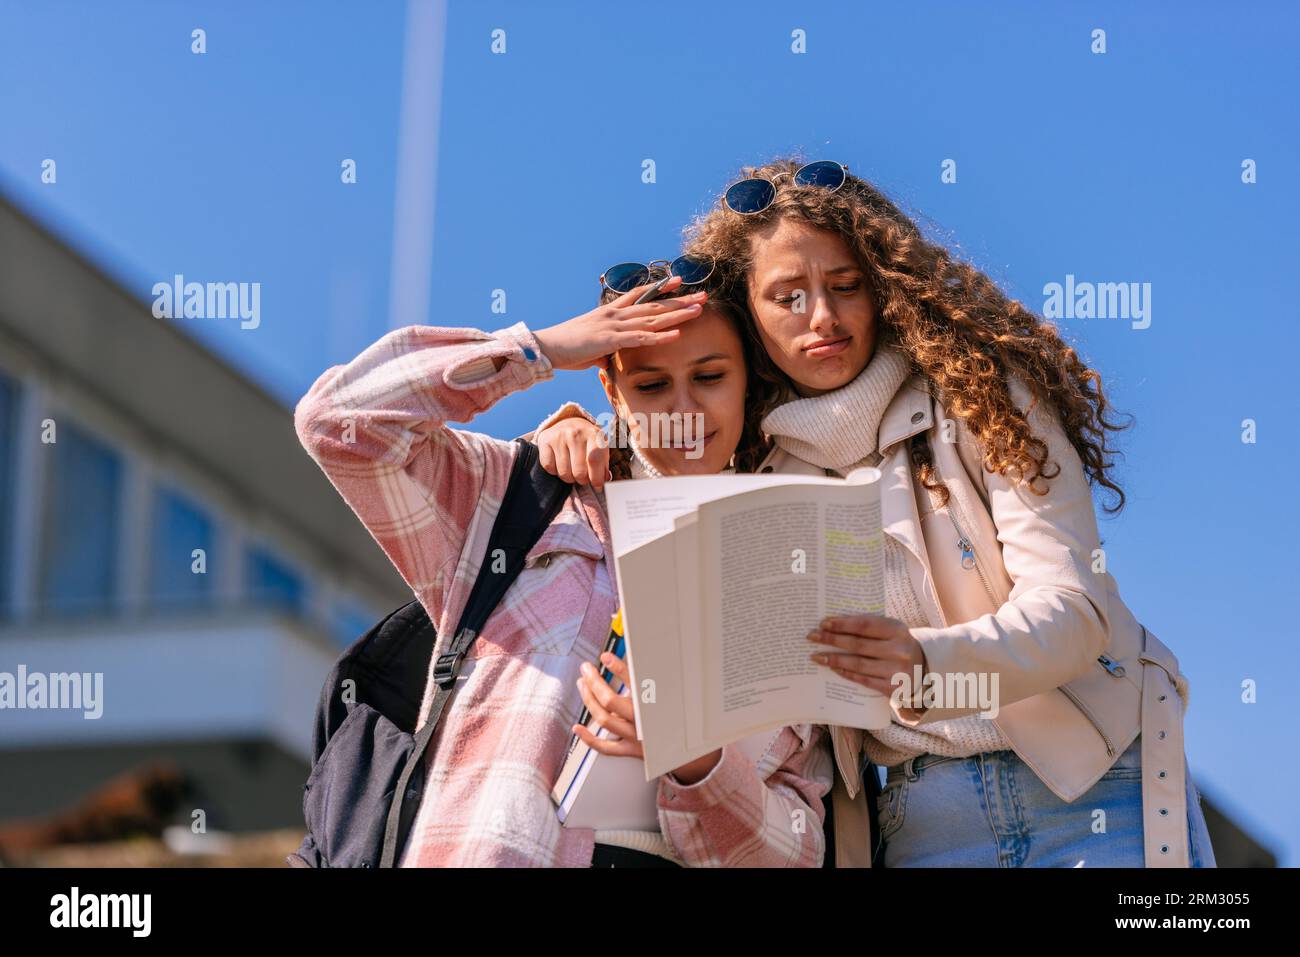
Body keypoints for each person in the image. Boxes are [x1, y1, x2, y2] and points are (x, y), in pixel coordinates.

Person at [533, 157, 1216, 867]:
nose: (821, 318)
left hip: (1092, 793)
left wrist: (927, 664)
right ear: (747, 317)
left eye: (844, 286)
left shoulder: (985, 399)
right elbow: (656, 451)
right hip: (912, 826)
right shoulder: (751, 465)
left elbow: (1075, 610)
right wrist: (573, 429)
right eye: (787, 297)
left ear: (884, 287)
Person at [293, 266, 832, 867]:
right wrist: (541, 349)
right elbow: (336, 422)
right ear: (611, 388)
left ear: (747, 383)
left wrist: (699, 763)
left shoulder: (790, 572)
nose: (683, 409)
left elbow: (800, 849)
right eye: (651, 386)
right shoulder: (510, 497)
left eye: (709, 377)